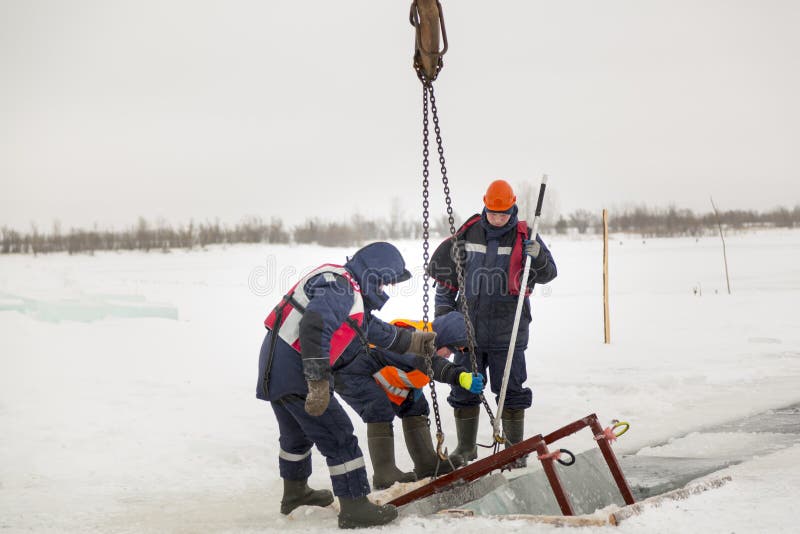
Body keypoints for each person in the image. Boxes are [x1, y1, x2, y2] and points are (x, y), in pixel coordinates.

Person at [256, 242, 436, 529]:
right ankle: (354, 507)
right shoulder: (342, 287)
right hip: (297, 368)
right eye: (387, 281)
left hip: (278, 365)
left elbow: (369, 329)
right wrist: (317, 381)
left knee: (297, 436)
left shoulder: (342, 284)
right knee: (338, 434)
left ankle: (295, 493)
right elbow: (314, 325)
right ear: (374, 274)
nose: (387, 288)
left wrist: (413, 341)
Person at [427, 179, 557, 467]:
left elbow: (548, 274)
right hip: (467, 330)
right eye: (493, 213)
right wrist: (445, 323)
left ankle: (514, 452)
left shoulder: (526, 237)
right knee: (463, 388)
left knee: (511, 391)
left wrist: (539, 258)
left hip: (507, 331)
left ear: (513, 209)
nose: (498, 219)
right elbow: (446, 285)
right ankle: (465, 449)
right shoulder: (467, 234)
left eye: (503, 214)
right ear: (485, 206)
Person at [332, 311, 485, 489]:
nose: (449, 355)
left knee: (416, 405)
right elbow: (428, 362)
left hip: (376, 374)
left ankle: (426, 463)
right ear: (443, 339)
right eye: (450, 349)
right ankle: (384, 473)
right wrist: (459, 376)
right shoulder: (413, 337)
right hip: (349, 371)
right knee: (378, 408)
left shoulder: (430, 343)